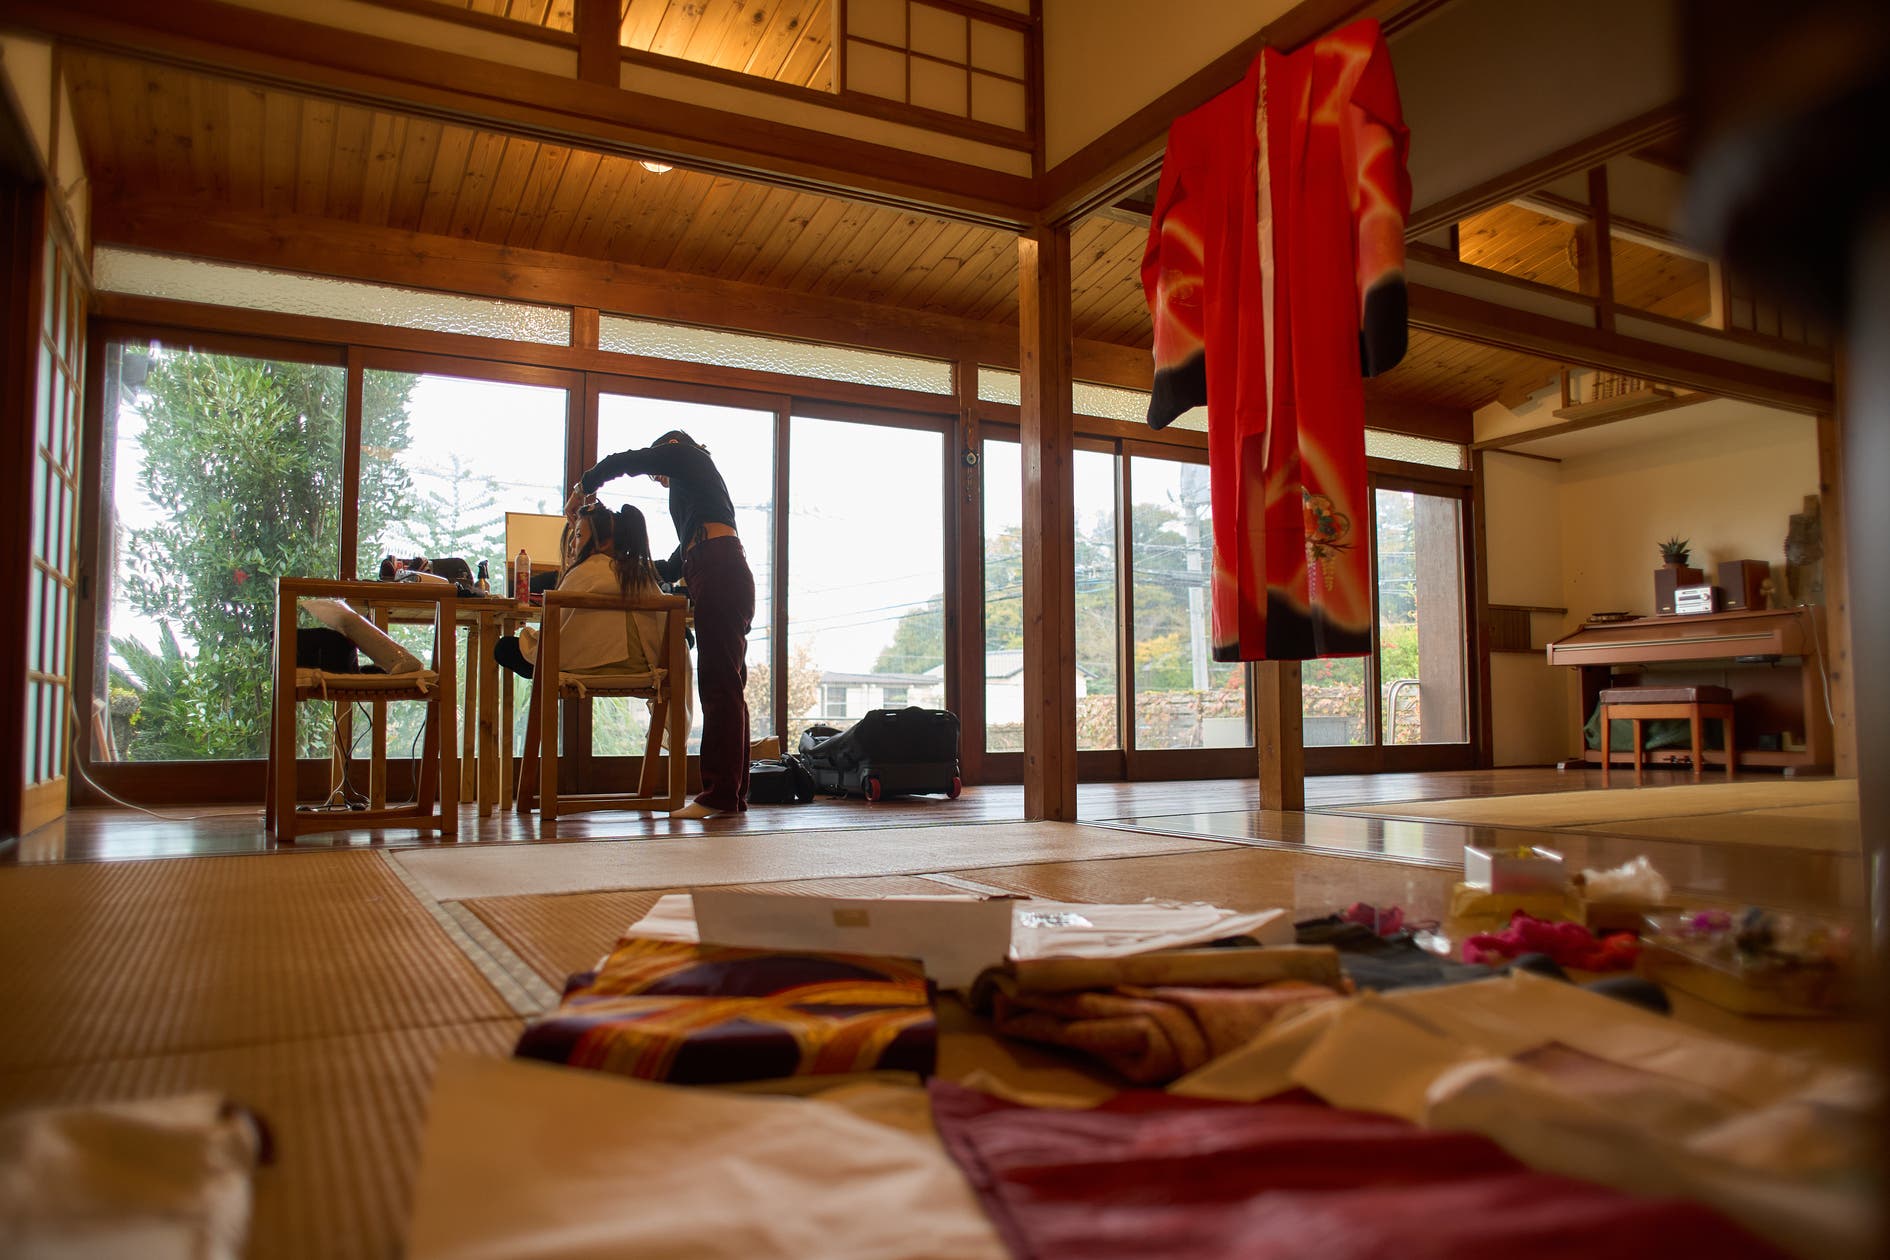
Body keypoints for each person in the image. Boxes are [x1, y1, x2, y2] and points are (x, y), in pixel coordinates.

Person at [569, 430, 754, 819]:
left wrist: (584, 485)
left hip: (718, 568)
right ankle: (731, 795)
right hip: (715, 567)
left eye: (659, 472)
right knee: (728, 683)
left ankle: (719, 794)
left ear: (671, 448)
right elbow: (673, 565)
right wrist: (630, 568)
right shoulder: (698, 500)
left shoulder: (689, 458)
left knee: (720, 684)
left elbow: (629, 460)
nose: (659, 479)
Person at [493, 501, 694, 746]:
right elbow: (664, 628)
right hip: (645, 670)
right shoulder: (640, 575)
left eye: (578, 535)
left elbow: (557, 634)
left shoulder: (582, 573)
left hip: (581, 668)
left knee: (504, 648)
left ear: (605, 542)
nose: (572, 543)